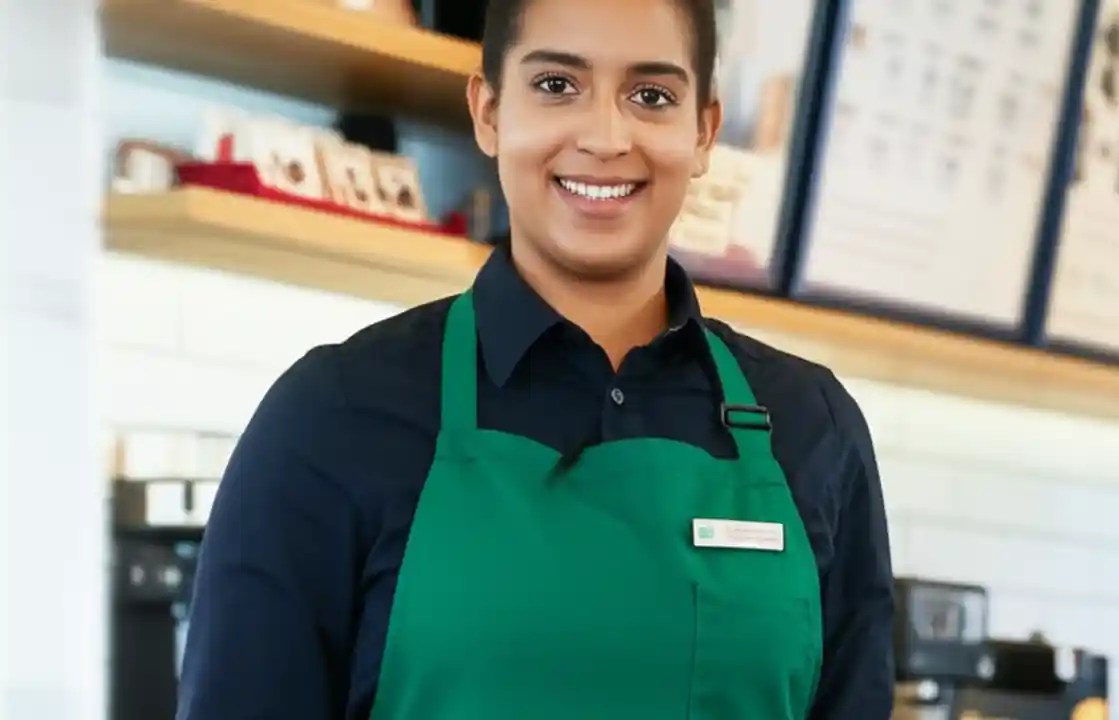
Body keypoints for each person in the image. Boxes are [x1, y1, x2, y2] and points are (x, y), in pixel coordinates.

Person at [176, 0, 894, 718]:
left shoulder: (813, 430)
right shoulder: (333, 417)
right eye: (556, 85)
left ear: (703, 131)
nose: (606, 138)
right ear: (488, 111)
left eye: (651, 96)